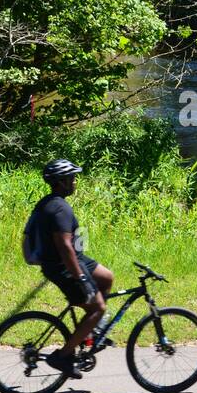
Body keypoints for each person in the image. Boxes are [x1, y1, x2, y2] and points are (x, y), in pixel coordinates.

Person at [25, 159, 114, 379]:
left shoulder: (49, 202)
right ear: (62, 182)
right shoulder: (60, 208)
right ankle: (63, 356)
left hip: (74, 259)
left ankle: (89, 333)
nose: (75, 181)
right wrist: (81, 278)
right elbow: (65, 247)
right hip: (64, 266)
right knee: (98, 308)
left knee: (107, 278)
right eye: (72, 178)